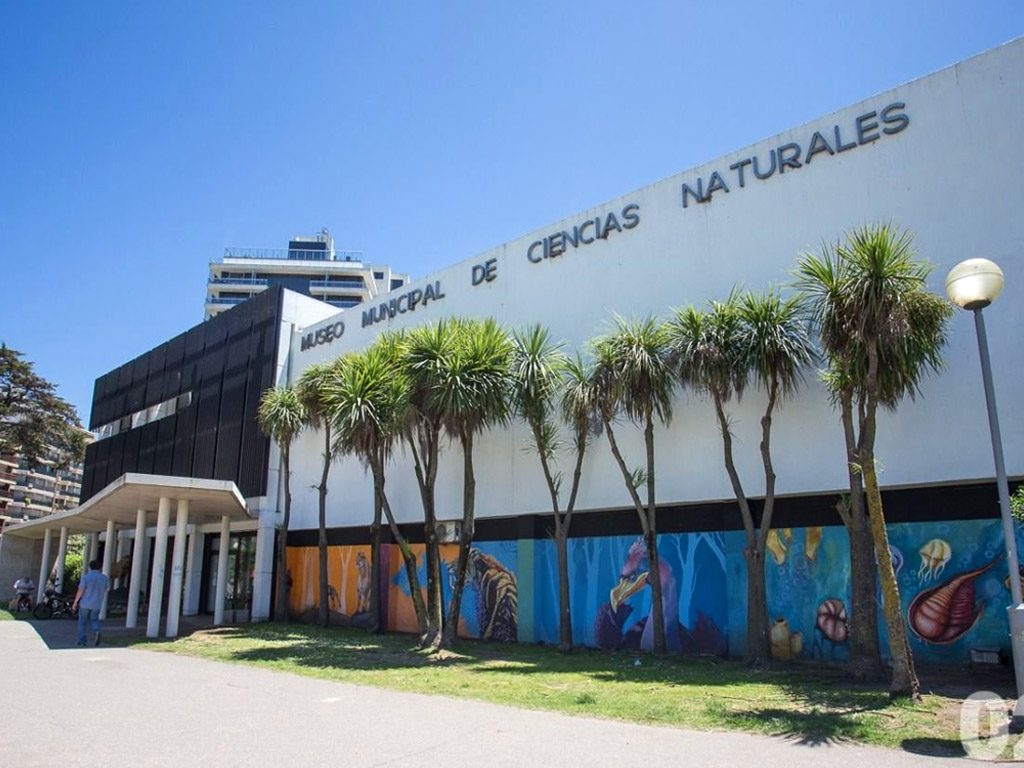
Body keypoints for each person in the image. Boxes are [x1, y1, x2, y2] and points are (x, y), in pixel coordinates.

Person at [72, 560, 109, 647]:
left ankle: (82, 640)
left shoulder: (86, 577)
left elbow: (80, 590)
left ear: (90, 567)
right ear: (100, 567)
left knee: (82, 622)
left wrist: (75, 602)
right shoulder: (104, 578)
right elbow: (107, 589)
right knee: (94, 619)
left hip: (85, 603)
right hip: (97, 604)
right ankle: (97, 631)